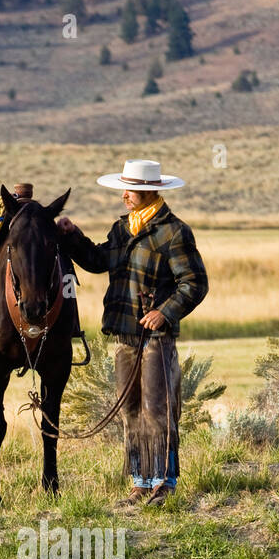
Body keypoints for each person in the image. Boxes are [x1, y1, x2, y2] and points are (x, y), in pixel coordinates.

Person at [57, 158, 208, 505]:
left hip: (156, 338)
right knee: (130, 410)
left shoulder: (174, 232)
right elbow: (97, 261)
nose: (125, 195)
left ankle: (164, 482)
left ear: (151, 191)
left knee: (159, 408)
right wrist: (73, 236)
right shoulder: (121, 229)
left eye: (132, 190)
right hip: (123, 333)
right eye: (125, 189)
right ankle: (140, 482)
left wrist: (164, 313)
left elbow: (195, 282)